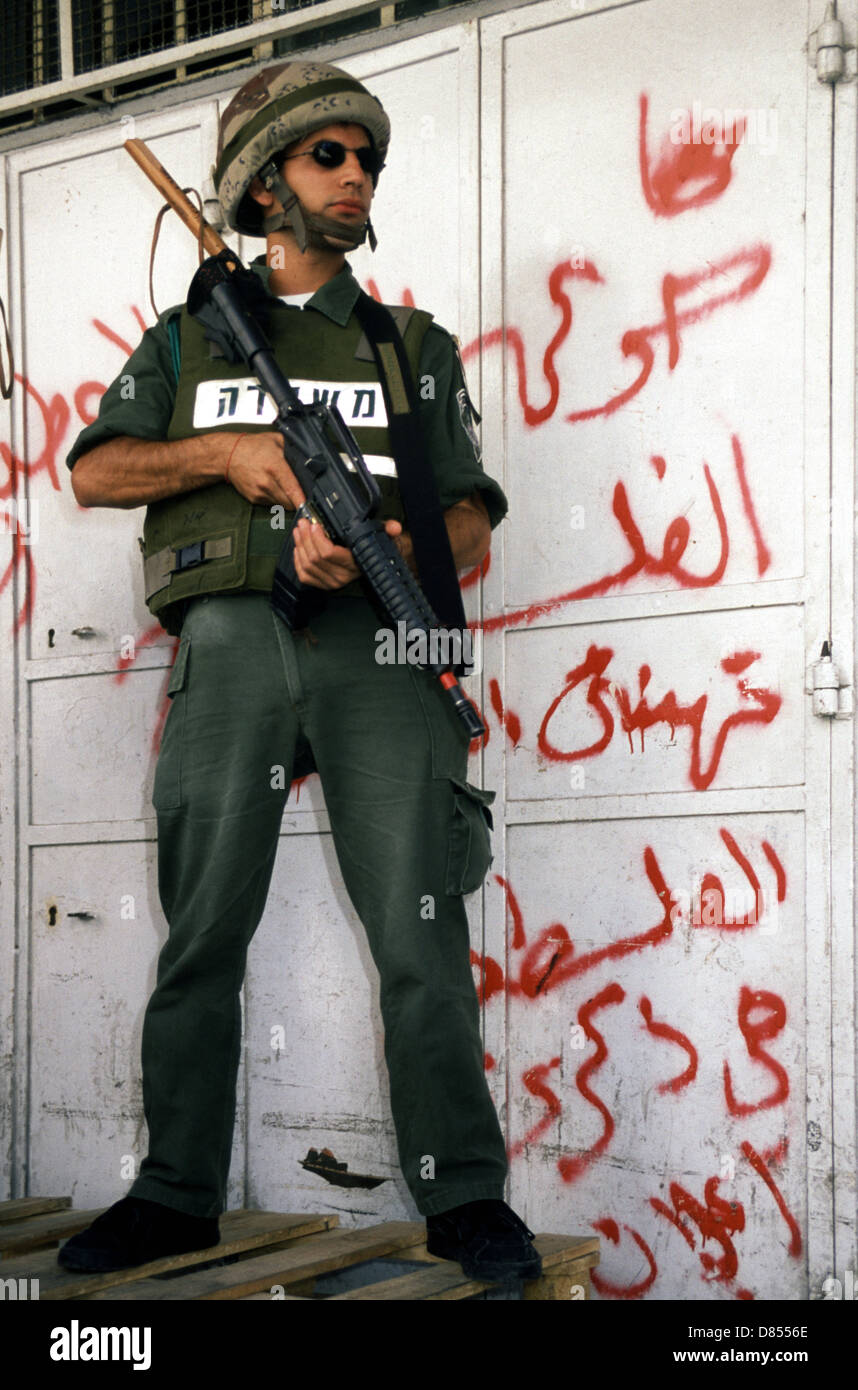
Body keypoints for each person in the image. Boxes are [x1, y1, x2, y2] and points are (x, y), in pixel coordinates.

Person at [57, 60, 541, 1285]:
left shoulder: (409, 346)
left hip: (380, 651)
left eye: (366, 158)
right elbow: (96, 471)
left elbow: (476, 517)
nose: (355, 175)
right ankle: (175, 1197)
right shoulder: (187, 337)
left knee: (421, 934)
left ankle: (466, 1197)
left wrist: (383, 549)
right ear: (264, 183)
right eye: (329, 155)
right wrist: (232, 453)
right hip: (231, 645)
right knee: (202, 929)